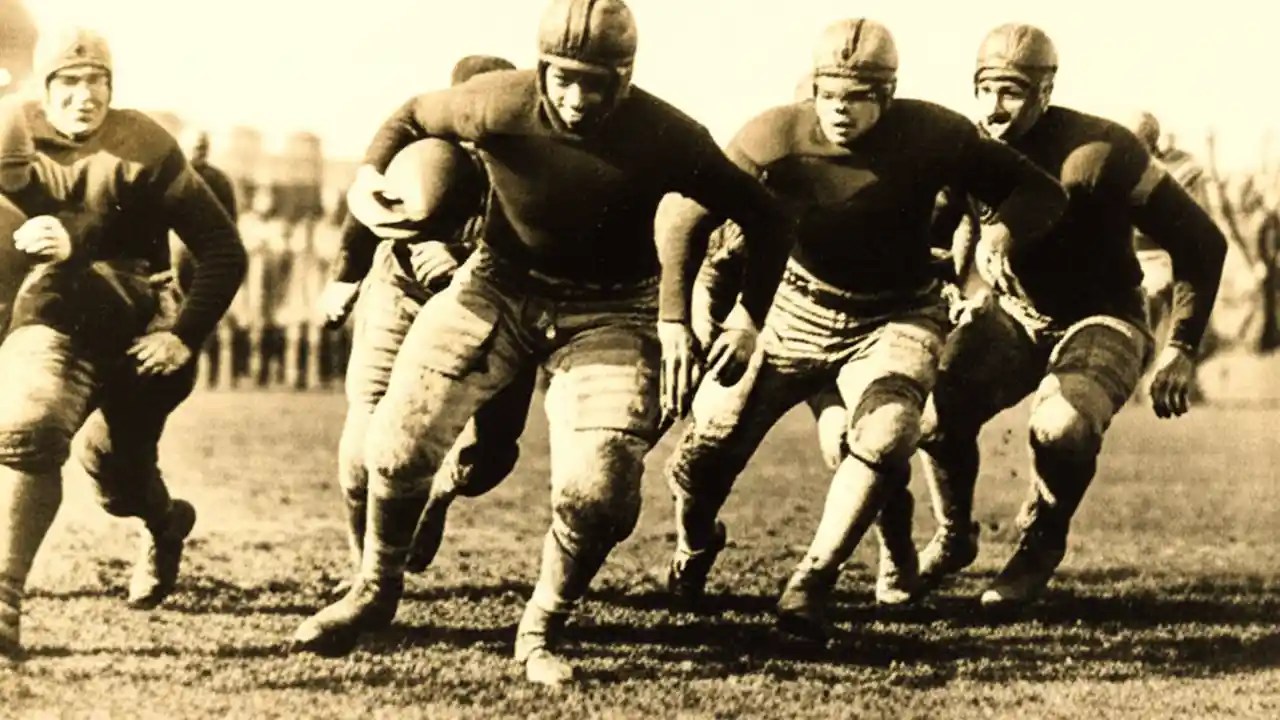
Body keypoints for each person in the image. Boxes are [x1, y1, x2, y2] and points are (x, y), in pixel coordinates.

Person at [290, 0, 794, 687]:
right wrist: (370, 171)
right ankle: (374, 589)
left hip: (611, 308)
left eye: (597, 82)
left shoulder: (668, 134)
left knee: (599, 492)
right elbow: (413, 113)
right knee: (397, 440)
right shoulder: (496, 102)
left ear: (626, 76)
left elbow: (764, 216)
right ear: (542, 67)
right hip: (498, 284)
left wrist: (747, 317)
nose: (577, 97)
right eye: (564, 78)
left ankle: (542, 627)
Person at [661, 18, 1066, 641]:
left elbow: (1039, 191)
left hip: (896, 311)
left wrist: (1003, 231)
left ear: (888, 92)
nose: (839, 110)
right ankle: (695, 545)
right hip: (793, 306)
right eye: (828, 93)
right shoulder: (775, 135)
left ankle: (812, 580)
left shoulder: (935, 133)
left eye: (857, 96)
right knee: (705, 451)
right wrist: (677, 321)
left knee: (889, 430)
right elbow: (686, 218)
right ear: (812, 89)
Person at [915, 23, 1227, 609]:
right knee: (932, 416)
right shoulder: (969, 147)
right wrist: (950, 286)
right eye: (985, 89)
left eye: (1011, 91)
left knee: (1059, 426)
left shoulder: (1101, 152)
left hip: (1103, 315)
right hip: (1015, 313)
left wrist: (1181, 345)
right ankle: (955, 534)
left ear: (1045, 91)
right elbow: (936, 233)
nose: (995, 106)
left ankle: (1041, 539)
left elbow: (1202, 242)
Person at [0, 27, 246, 662]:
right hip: (52, 317)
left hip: (137, 332)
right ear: (44, 87)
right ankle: (3, 607)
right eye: (70, 83)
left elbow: (223, 250)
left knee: (115, 478)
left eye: (97, 82)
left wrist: (184, 337)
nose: (85, 97)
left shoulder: (145, 143)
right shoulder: (12, 130)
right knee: (27, 430)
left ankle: (164, 525)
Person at [314, 55, 540, 588]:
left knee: (492, 455)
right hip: (404, 293)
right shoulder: (423, 149)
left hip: (492, 305)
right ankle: (365, 572)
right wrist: (345, 276)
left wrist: (465, 266)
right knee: (364, 436)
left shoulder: (534, 163)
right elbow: (371, 202)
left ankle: (439, 493)